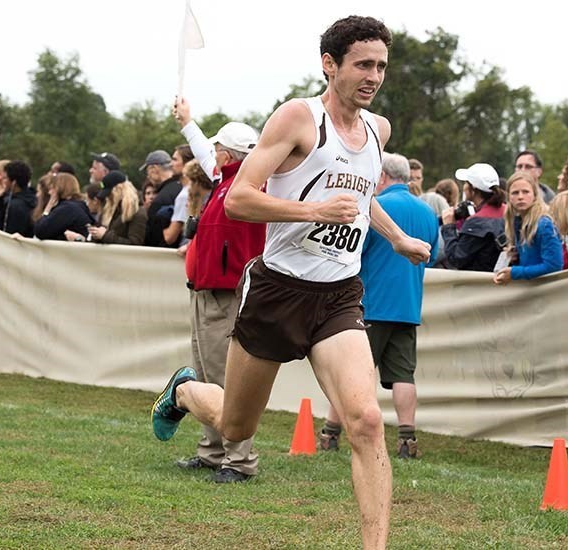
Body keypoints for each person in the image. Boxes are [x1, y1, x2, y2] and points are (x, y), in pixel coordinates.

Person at [152, 16, 430, 549]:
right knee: (235, 428)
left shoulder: (378, 130)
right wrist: (311, 212)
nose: (374, 76)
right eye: (363, 64)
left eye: (381, 66)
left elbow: (359, 196)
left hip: (339, 296)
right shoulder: (298, 119)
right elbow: (238, 199)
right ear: (330, 65)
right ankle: (185, 390)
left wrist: (394, 237)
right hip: (279, 289)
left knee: (367, 420)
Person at [318, 152, 438, 459]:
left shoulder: (376, 207)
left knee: (350, 371)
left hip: (369, 303)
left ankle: (331, 433)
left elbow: (352, 249)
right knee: (403, 374)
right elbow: (432, 255)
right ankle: (407, 439)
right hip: (408, 306)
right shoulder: (427, 211)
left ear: (381, 176)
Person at [173, 98, 265, 483]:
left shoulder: (251, 184)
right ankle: (213, 452)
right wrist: (187, 124)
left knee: (226, 379)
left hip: (228, 293)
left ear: (227, 154)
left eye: (216, 149)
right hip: (209, 290)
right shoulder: (230, 181)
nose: (212, 155)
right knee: (209, 374)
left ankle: (238, 460)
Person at [494, 171, 563, 284]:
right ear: (509, 197)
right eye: (515, 193)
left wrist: (514, 273)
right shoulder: (517, 221)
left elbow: (554, 266)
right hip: (531, 289)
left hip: (547, 290)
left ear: (535, 195)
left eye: (525, 192)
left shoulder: (544, 224)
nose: (520, 197)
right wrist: (515, 258)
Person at [439, 162, 506, 272]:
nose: (464, 187)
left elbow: (456, 258)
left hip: (480, 284)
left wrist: (448, 227)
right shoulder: (506, 211)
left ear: (473, 189)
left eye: (466, 183)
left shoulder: (477, 222)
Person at [69, 171, 146, 246]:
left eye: (110, 194)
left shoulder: (137, 213)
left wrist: (105, 235)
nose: (108, 197)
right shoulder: (108, 210)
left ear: (119, 190)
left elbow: (135, 245)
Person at [35, 173, 95, 241]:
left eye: (52, 188)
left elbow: (40, 231)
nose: (49, 192)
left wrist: (48, 207)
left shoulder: (67, 209)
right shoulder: (79, 205)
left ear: (59, 189)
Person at [142, 150, 183, 248]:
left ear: (154, 169)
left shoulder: (160, 200)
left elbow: (152, 239)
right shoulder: (184, 189)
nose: (148, 176)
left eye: (148, 171)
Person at [0, 160, 36, 237]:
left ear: (13, 183)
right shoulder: (30, 197)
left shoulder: (16, 205)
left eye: (5, 178)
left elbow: (3, 229)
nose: (2, 181)